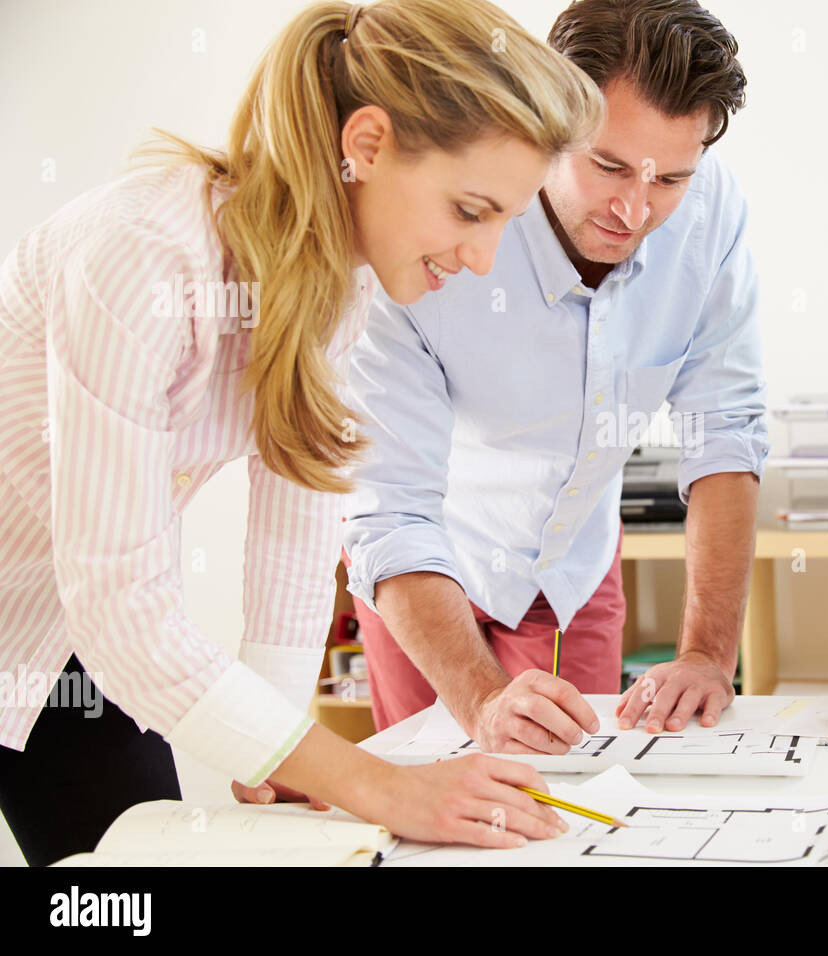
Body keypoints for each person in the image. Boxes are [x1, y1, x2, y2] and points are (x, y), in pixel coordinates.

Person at [0, 0, 605, 867]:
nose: (483, 258)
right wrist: (375, 782)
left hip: (65, 647)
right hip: (83, 621)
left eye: (507, 222)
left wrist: (277, 759)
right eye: (472, 210)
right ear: (366, 145)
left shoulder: (336, 289)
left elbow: (293, 542)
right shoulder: (140, 258)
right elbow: (125, 608)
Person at [343, 0, 768, 751]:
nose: (634, 209)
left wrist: (708, 654)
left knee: (575, 800)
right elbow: (389, 508)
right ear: (550, 119)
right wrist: (480, 702)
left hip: (569, 570)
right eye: (607, 165)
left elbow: (724, 429)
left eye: (669, 178)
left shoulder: (713, 210)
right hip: (419, 564)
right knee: (430, 797)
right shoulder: (429, 230)